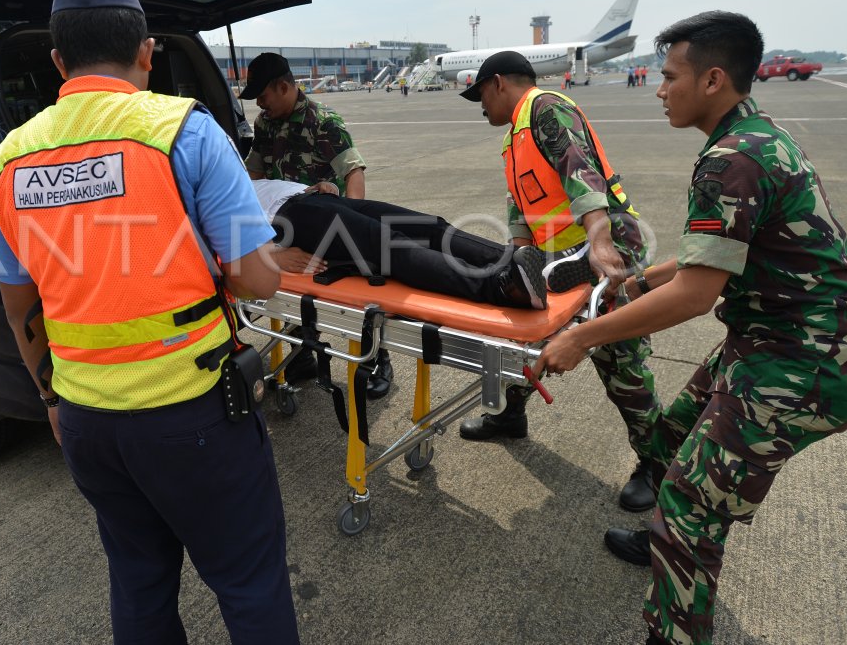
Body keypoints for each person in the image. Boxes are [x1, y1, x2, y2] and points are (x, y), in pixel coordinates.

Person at [535, 11, 847, 645]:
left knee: (691, 503)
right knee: (673, 439)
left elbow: (696, 294)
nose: (660, 88)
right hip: (778, 339)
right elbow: (710, 255)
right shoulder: (755, 135)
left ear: (713, 79)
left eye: (670, 76)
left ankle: (672, 628)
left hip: (808, 360)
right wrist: (636, 283)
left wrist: (580, 337)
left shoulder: (731, 160)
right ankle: (668, 549)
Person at [0, 0, 299, 644]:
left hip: (87, 420)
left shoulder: (7, 162)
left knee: (138, 580)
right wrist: (261, 263)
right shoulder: (183, 131)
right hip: (191, 414)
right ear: (148, 52)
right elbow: (256, 279)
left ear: (59, 62)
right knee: (247, 584)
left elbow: (16, 302)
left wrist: (50, 398)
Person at [456, 50, 662, 514]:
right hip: (557, 254)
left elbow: (580, 169)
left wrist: (600, 240)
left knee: (617, 356)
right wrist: (518, 254)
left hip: (602, 246)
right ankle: (511, 415)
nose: (481, 105)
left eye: (480, 95)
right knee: (527, 336)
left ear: (499, 84)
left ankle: (656, 462)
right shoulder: (514, 138)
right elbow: (520, 203)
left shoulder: (544, 108)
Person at [240, 52, 394, 398]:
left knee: (357, 299)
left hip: (329, 224)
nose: (260, 105)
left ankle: (376, 360)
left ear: (284, 86)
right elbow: (255, 173)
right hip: (287, 222)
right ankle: (303, 353)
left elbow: (353, 172)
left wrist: (354, 229)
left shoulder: (323, 120)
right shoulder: (265, 123)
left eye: (263, 96)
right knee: (295, 296)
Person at [255, 178, 548, 308]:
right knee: (392, 246)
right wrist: (272, 257)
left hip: (312, 198)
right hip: (289, 219)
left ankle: (522, 264)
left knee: (431, 227)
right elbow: (209, 243)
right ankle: (503, 288)